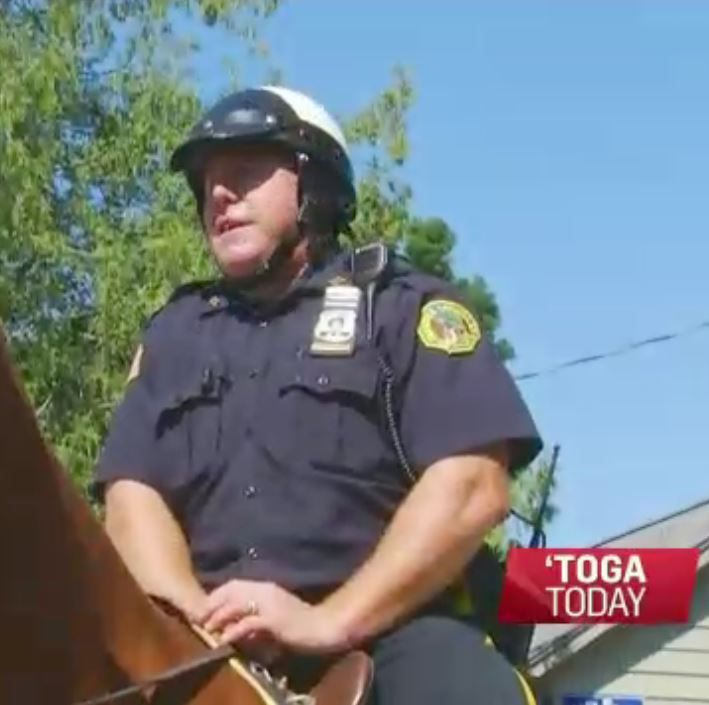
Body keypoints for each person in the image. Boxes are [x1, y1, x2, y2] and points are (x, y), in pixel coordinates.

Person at [89, 85, 544, 704]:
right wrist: (195, 620)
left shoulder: (403, 306)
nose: (219, 196)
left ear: (317, 188)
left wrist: (326, 622)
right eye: (207, 184)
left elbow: (471, 485)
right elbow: (131, 496)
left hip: (389, 635)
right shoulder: (175, 332)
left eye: (245, 172)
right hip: (200, 643)